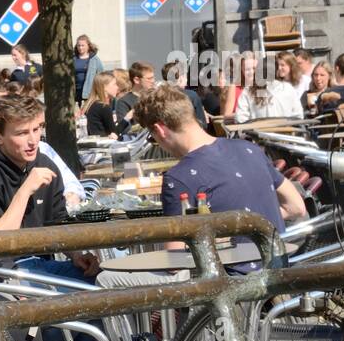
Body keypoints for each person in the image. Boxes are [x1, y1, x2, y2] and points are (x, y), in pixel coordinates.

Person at [96, 85, 307, 288]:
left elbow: (174, 262)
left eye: (152, 138)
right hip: (278, 274)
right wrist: (250, 225)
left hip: (229, 285)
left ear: (160, 129)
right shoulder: (249, 148)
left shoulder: (179, 178)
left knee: (105, 279)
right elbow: (296, 208)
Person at [0, 93, 98, 282]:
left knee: (105, 279)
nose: (33, 140)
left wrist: (77, 255)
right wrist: (25, 190)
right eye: (22, 133)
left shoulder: (44, 163)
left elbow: (58, 223)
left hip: (43, 267)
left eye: (37, 129)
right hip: (3, 276)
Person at [235, 52, 304, 122]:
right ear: (277, 71)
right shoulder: (288, 88)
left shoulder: (248, 90)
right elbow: (298, 115)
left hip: (258, 132)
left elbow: (240, 118)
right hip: (285, 131)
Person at [82, 71, 120, 138]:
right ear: (104, 86)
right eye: (114, 84)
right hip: (102, 144)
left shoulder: (90, 104)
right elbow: (114, 133)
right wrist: (127, 118)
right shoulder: (103, 107)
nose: (117, 87)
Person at [73, 35, 103, 103]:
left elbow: (101, 75)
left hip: (89, 93)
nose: (80, 48)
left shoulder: (94, 59)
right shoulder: (73, 59)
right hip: (75, 93)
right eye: (78, 45)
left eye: (83, 45)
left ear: (88, 46)